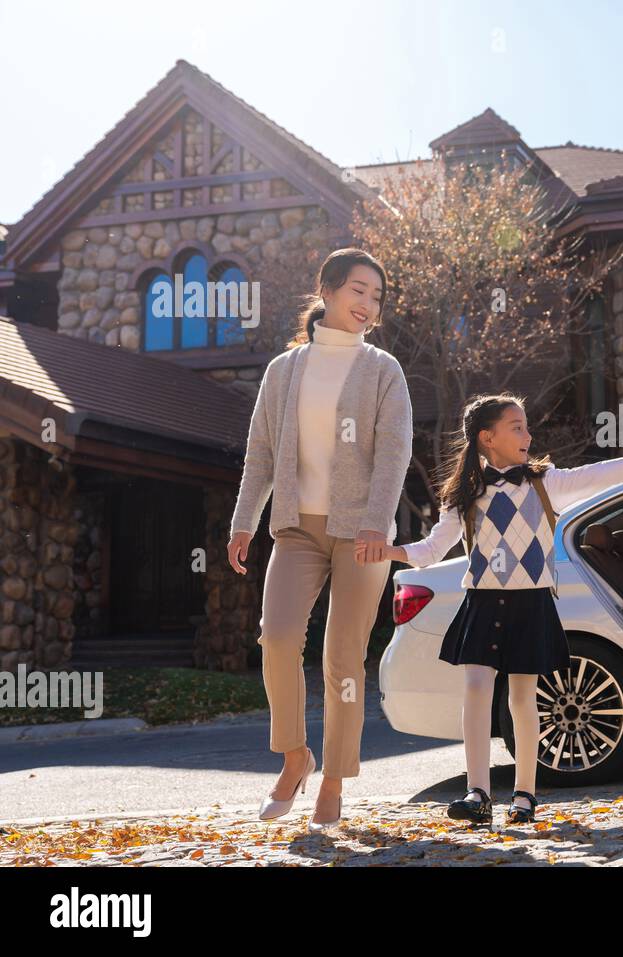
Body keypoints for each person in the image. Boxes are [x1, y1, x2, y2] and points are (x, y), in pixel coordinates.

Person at [357, 394, 623, 826]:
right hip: (482, 600)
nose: (528, 434)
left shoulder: (544, 481)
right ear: (488, 438)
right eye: (517, 427)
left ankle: (524, 795)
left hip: (531, 600)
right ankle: (478, 794)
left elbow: (597, 475)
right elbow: (431, 550)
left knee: (523, 696)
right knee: (477, 689)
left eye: (526, 426)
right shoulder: (464, 493)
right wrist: (390, 551)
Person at [228, 248, 411, 831]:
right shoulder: (284, 372)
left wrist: (376, 522)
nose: (368, 305)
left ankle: (333, 778)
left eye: (377, 297)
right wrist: (242, 521)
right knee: (277, 638)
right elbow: (260, 450)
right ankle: (294, 756)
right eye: (359, 290)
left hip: (363, 532)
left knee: (343, 659)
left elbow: (393, 452)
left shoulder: (383, 369)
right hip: (298, 529)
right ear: (328, 290)